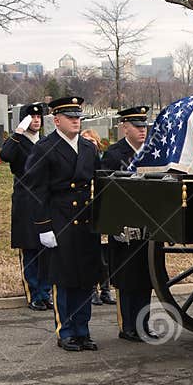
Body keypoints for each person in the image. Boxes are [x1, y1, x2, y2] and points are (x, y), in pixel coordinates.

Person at [25, 96, 104, 352]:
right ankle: (66, 330)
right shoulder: (45, 148)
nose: (75, 121)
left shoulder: (89, 148)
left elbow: (99, 184)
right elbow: (35, 190)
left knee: (85, 278)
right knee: (65, 277)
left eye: (78, 117)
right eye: (70, 117)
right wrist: (43, 226)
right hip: (59, 219)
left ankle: (83, 330)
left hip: (84, 220)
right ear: (56, 120)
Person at [101, 106, 158, 341]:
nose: (142, 130)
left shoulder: (152, 152)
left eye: (144, 126)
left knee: (146, 277)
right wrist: (114, 226)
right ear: (125, 128)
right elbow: (107, 193)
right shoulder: (114, 155)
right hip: (124, 225)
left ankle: (143, 325)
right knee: (126, 279)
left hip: (147, 224)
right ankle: (128, 326)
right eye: (137, 126)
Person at [0, 103, 53, 312]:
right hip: (25, 198)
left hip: (45, 198)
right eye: (31, 116)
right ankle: (34, 294)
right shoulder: (18, 142)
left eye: (39, 116)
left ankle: (45, 292)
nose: (37, 119)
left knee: (46, 249)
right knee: (30, 247)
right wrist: (18, 132)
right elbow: (5, 155)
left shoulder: (46, 142)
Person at [80, 127, 116, 307]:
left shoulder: (102, 162)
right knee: (92, 255)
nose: (89, 144)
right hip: (87, 213)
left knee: (104, 258)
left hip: (102, 211)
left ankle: (106, 289)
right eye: (85, 141)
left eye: (92, 141)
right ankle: (92, 290)